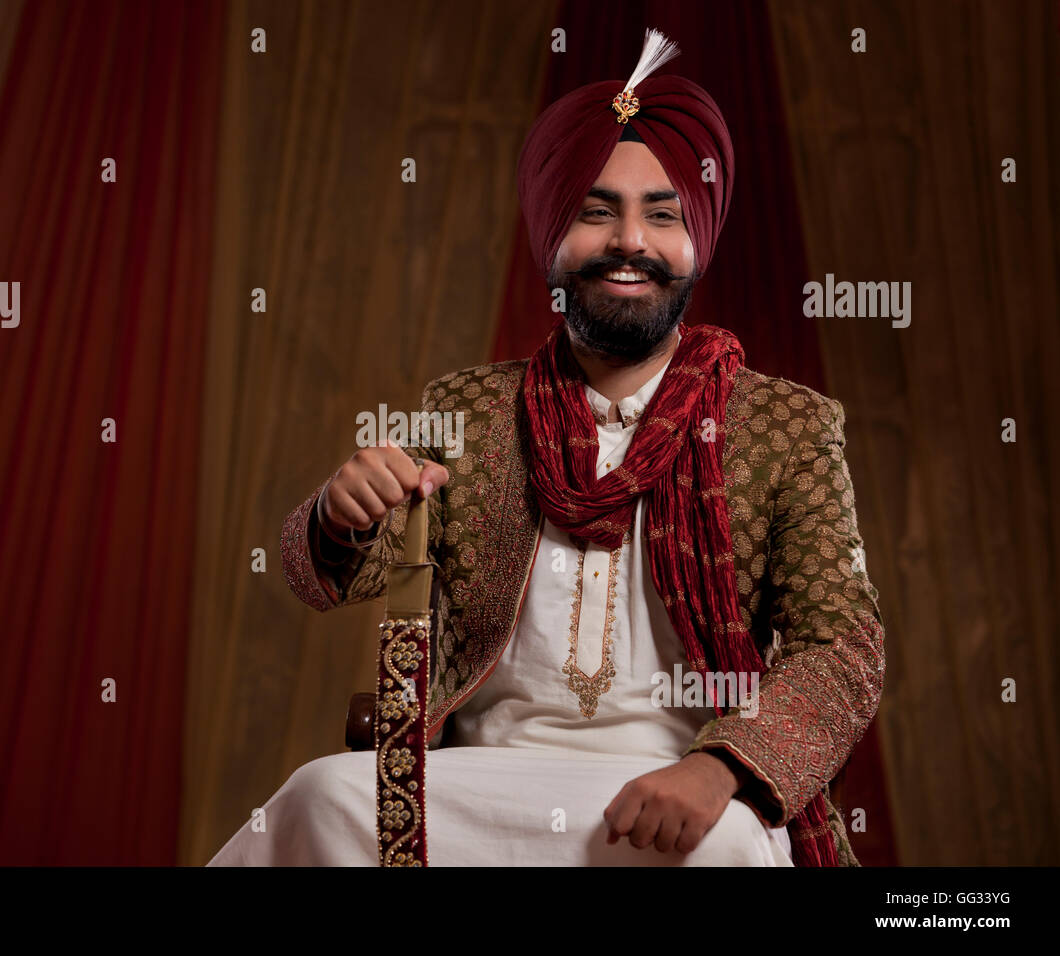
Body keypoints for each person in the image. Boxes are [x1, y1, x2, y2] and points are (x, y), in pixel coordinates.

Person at [209, 30, 884, 868]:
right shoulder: (467, 408)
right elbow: (323, 577)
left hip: (677, 791)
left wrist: (719, 770)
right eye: (595, 211)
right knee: (319, 798)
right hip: (478, 785)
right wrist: (338, 515)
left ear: (696, 241)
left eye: (661, 214)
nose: (629, 241)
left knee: (729, 852)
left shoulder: (784, 428)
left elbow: (842, 649)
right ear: (552, 237)